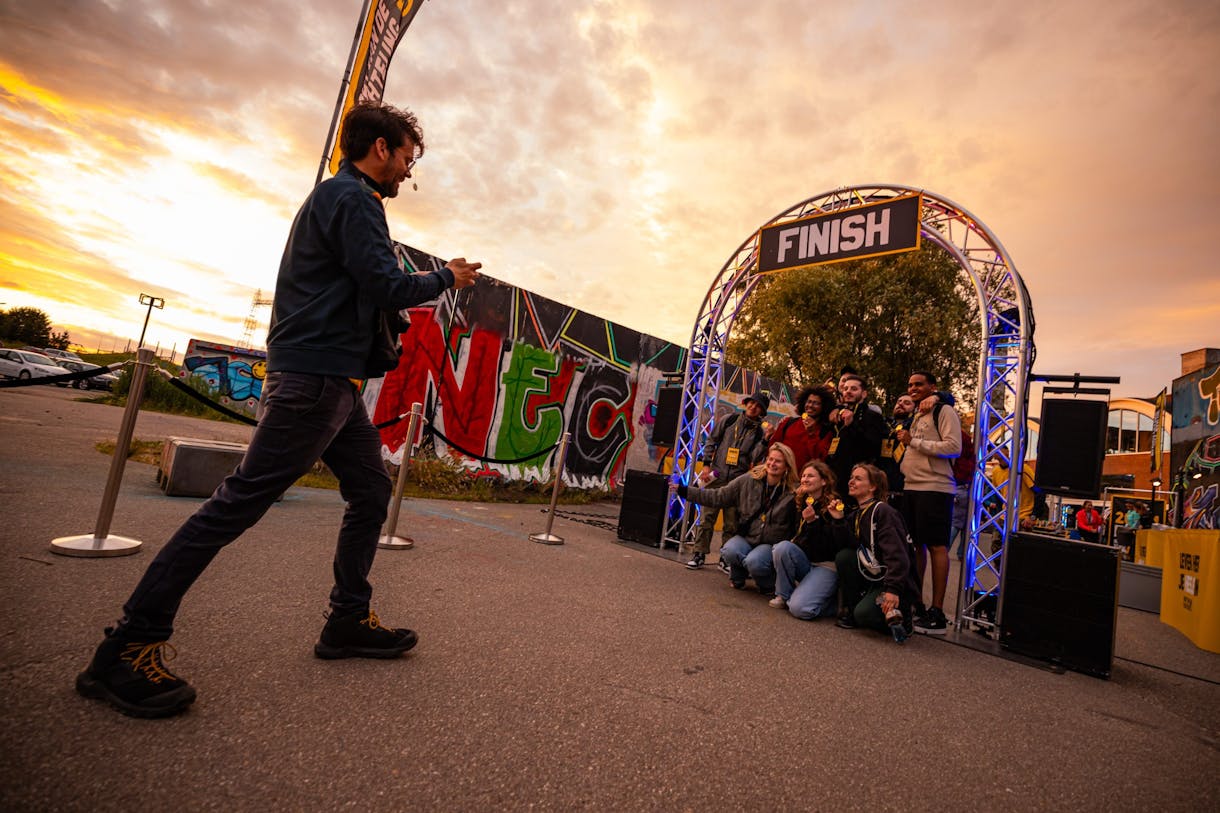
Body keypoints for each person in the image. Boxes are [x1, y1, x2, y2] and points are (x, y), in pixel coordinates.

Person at [75, 102, 481, 718]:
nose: (407, 170)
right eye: (406, 157)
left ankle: (346, 620)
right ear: (378, 150)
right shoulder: (355, 201)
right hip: (316, 381)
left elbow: (361, 288)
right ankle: (128, 646)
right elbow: (386, 285)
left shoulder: (340, 201)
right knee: (234, 505)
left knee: (370, 492)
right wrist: (445, 276)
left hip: (333, 385)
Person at [674, 443, 799, 595]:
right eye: (770, 459)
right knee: (729, 550)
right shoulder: (749, 480)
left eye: (778, 461)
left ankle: (767, 585)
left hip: (770, 543)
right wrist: (684, 490)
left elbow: (795, 526)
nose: (772, 464)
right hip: (748, 536)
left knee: (755, 562)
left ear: (787, 466)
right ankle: (738, 576)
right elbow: (718, 496)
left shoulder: (793, 493)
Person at [895, 371, 961, 635]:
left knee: (937, 546)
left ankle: (937, 611)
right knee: (915, 547)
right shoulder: (917, 415)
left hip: (935, 488)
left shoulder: (943, 411)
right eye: (910, 384)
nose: (913, 388)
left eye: (919, 384)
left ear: (932, 387)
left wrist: (915, 442)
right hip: (911, 487)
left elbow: (953, 447)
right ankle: (917, 602)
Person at [833, 464, 921, 640]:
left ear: (872, 487)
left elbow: (898, 556)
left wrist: (893, 590)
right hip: (874, 574)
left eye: (858, 479)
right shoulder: (857, 514)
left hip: (893, 581)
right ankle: (855, 607)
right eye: (851, 477)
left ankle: (903, 615)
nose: (851, 481)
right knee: (845, 557)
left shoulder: (884, 512)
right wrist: (838, 520)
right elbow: (849, 544)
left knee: (864, 614)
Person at [684, 391, 770, 570]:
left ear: (762, 411)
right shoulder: (729, 420)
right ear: (746, 403)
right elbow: (711, 441)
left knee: (731, 522)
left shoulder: (759, 432)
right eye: (752, 403)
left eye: (758, 406)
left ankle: (725, 558)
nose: (753, 407)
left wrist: (764, 441)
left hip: (737, 482)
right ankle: (699, 554)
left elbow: (755, 458)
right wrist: (706, 465)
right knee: (707, 517)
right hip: (716, 475)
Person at [770, 460, 847, 618]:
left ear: (824, 481)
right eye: (803, 475)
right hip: (806, 560)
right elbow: (790, 532)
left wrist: (812, 522)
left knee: (800, 609)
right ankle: (784, 596)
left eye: (810, 476)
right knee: (782, 547)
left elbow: (829, 546)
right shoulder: (800, 501)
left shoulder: (834, 505)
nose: (804, 479)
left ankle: (834, 605)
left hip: (825, 564)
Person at [826, 373, 887, 505]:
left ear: (864, 394)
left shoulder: (873, 416)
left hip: (858, 481)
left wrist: (852, 424)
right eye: (846, 389)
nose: (848, 392)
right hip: (835, 478)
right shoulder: (837, 414)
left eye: (854, 389)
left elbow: (873, 447)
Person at [767, 384, 834, 471]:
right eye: (808, 402)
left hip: (803, 481)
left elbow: (819, 461)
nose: (810, 405)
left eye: (816, 403)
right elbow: (772, 447)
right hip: (780, 475)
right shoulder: (787, 423)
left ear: (824, 407)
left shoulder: (826, 432)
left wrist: (811, 434)